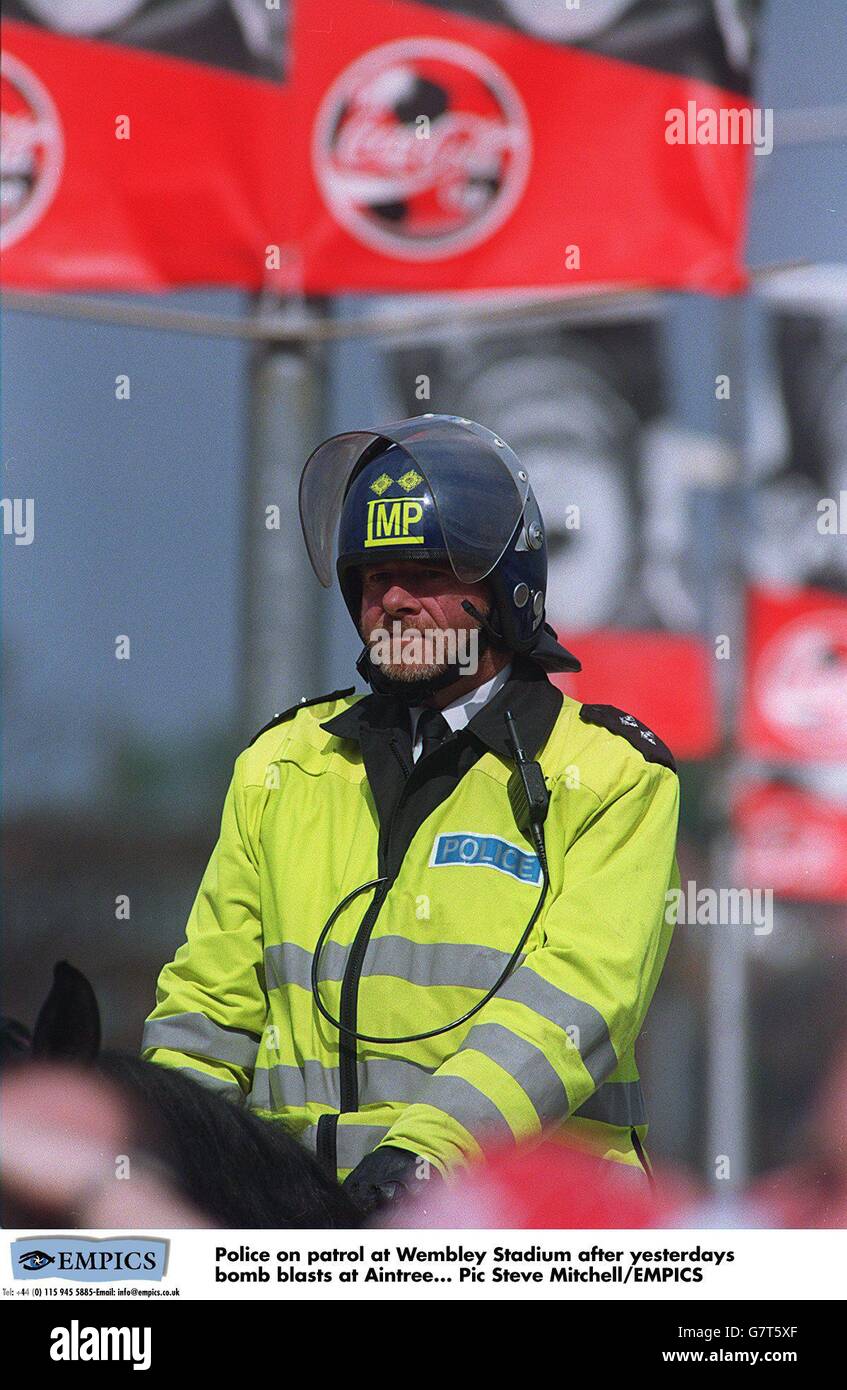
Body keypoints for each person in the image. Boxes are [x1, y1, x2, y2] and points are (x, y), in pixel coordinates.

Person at [142, 414, 680, 1218]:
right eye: (369, 576)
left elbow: (578, 1001)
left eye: (424, 574)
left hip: (530, 1233)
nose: (390, 600)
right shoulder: (283, 767)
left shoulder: (612, 776)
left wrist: (426, 1159)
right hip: (301, 1230)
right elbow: (206, 1007)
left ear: (506, 589)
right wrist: (161, 1152)